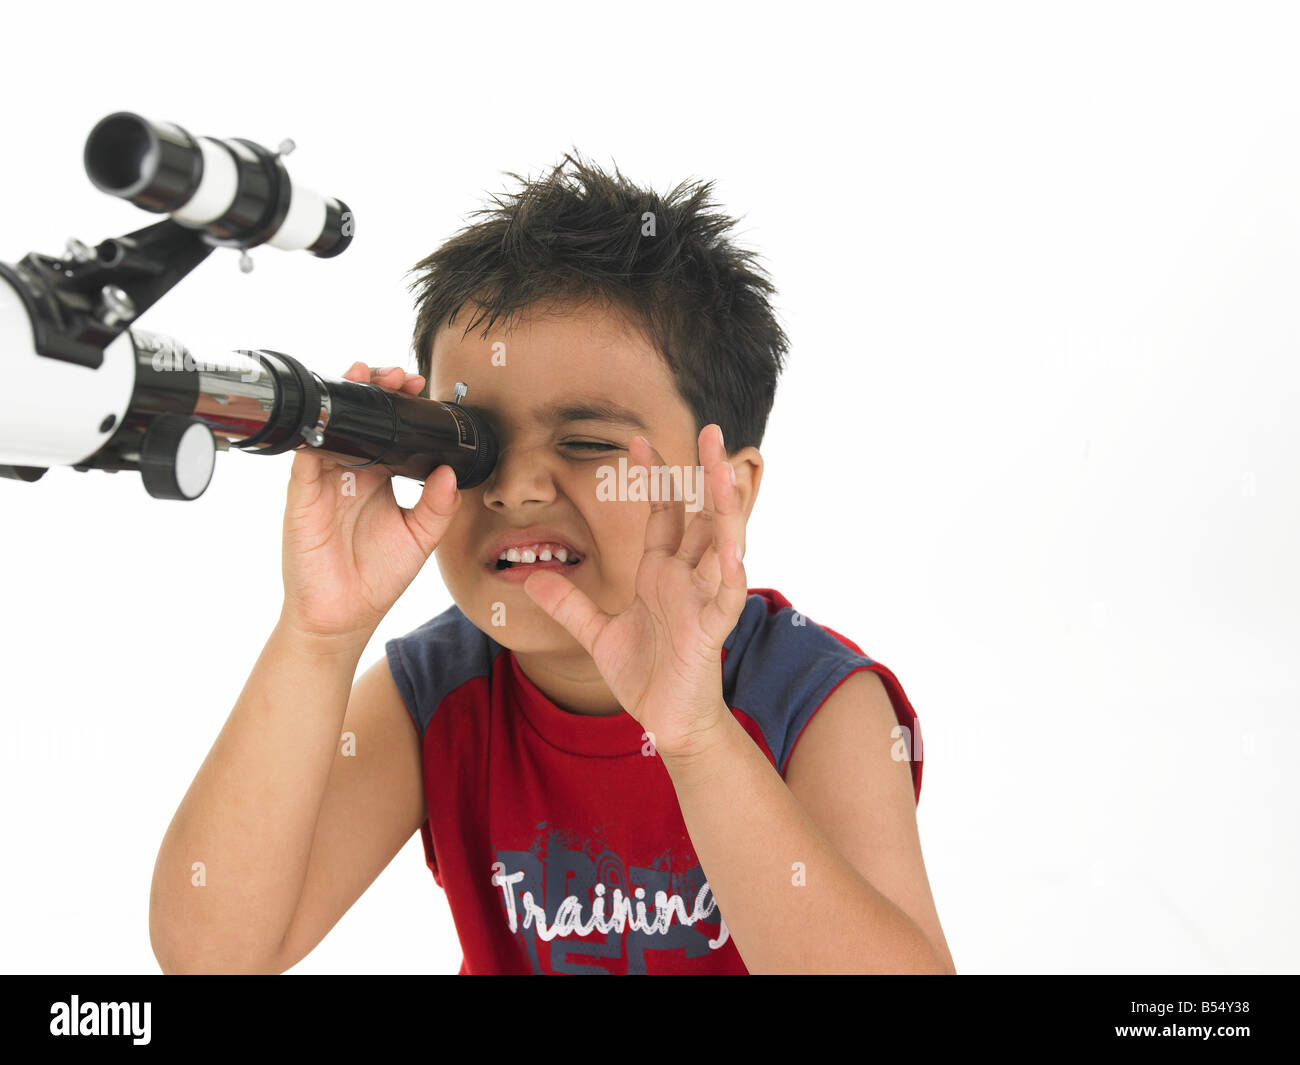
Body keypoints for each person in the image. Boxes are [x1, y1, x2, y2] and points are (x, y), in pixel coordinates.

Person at [149, 153, 956, 975]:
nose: (517, 487)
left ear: (726, 490)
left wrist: (696, 735)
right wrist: (320, 632)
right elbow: (212, 955)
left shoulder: (813, 699)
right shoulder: (438, 695)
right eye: (473, 445)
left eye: (586, 443)